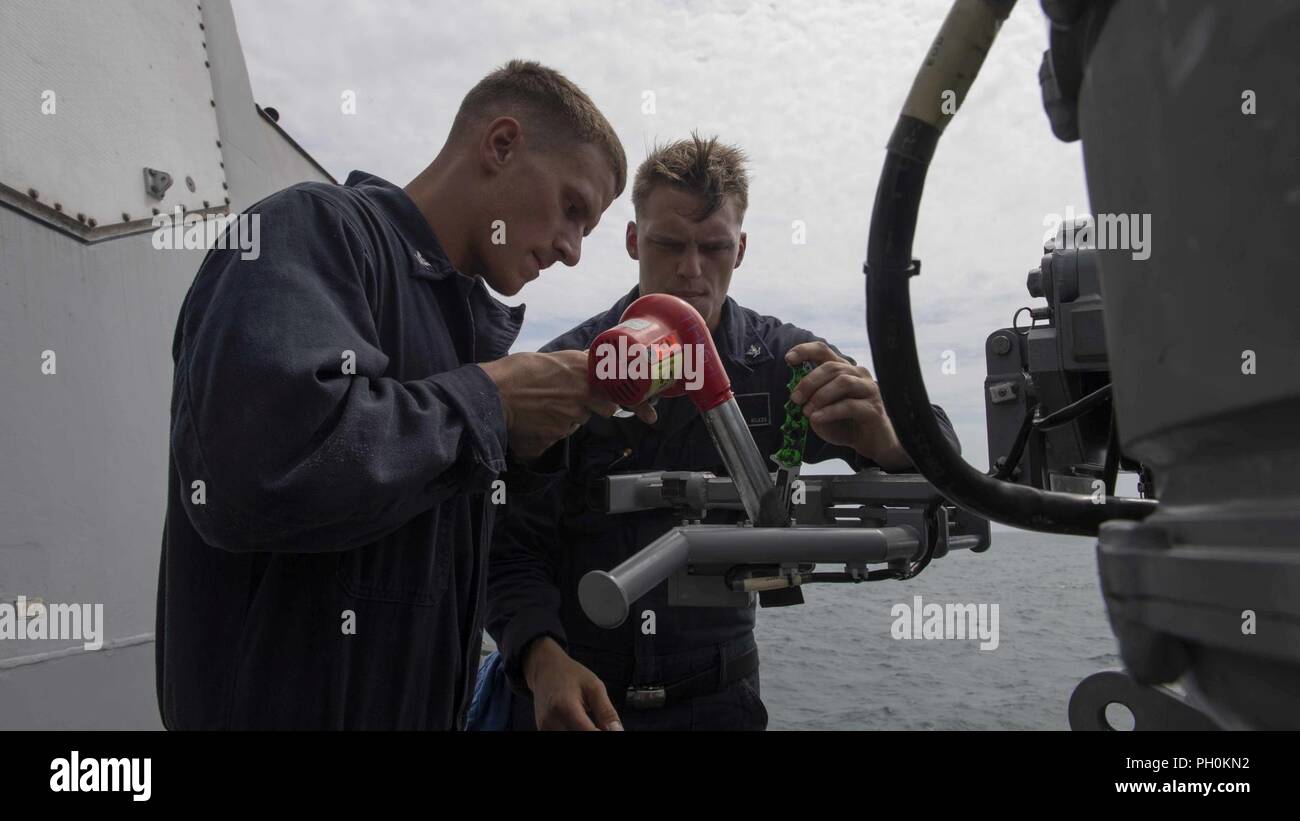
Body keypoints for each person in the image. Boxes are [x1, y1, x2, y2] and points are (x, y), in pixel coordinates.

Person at [155, 60, 651, 729]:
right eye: (572, 208)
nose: (571, 251)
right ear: (500, 145)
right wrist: (492, 401)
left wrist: (529, 448)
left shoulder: (462, 335)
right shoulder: (311, 228)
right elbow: (258, 472)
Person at [486, 134, 961, 731]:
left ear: (740, 250)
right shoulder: (565, 370)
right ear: (634, 241)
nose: (690, 271)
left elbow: (946, 454)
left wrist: (887, 439)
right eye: (667, 245)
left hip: (718, 699)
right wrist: (538, 658)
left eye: (713, 248)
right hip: (571, 692)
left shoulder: (785, 363)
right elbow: (504, 548)